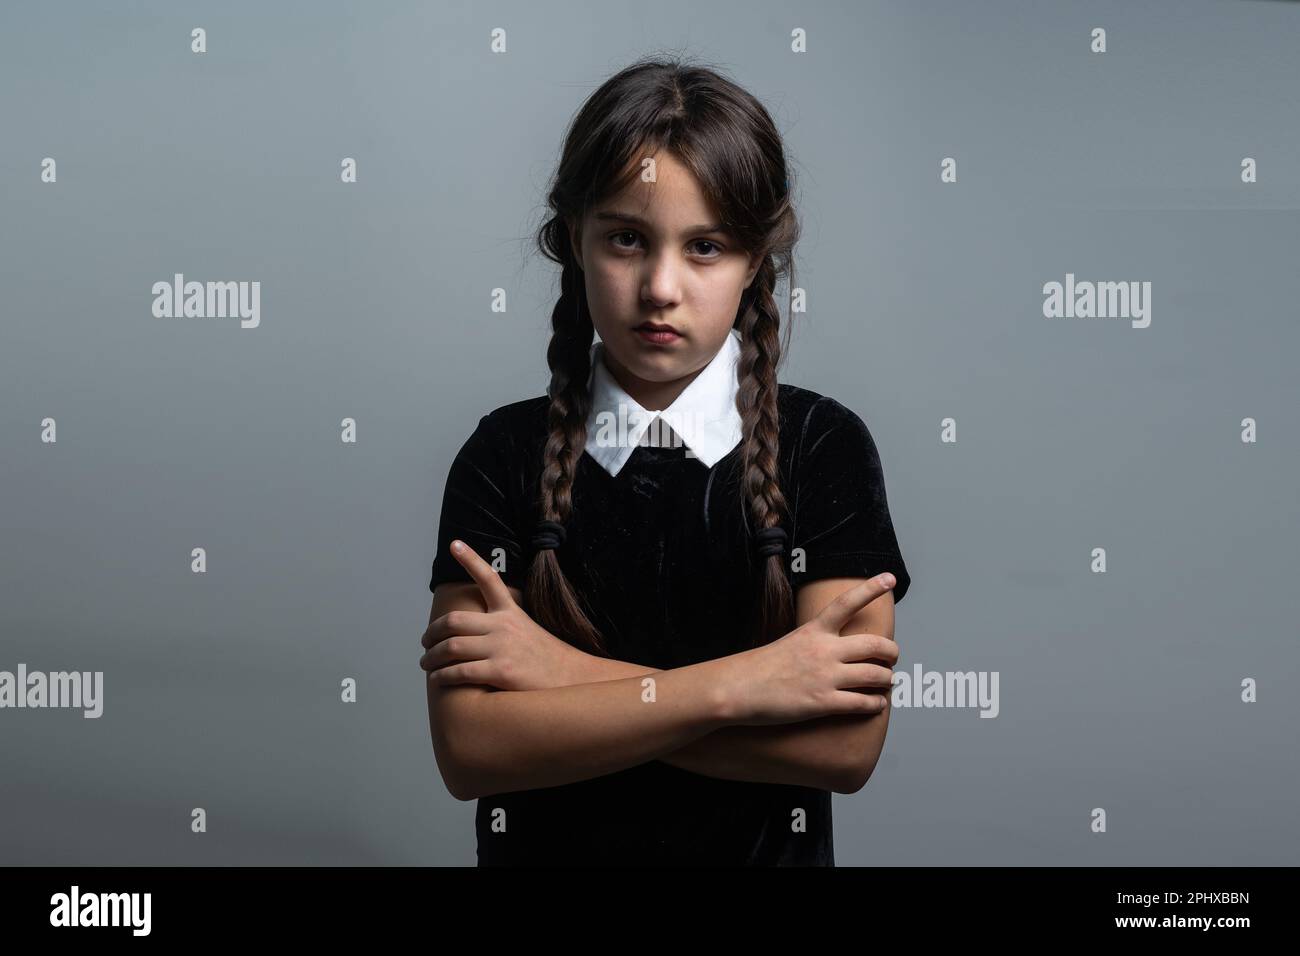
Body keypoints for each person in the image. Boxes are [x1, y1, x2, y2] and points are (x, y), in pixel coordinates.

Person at [421, 56, 912, 866]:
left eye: (706, 247)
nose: (660, 286)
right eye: (625, 238)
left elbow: (842, 753)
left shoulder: (825, 448)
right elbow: (472, 749)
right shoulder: (502, 455)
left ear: (756, 259)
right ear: (572, 240)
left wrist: (559, 676)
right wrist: (745, 687)